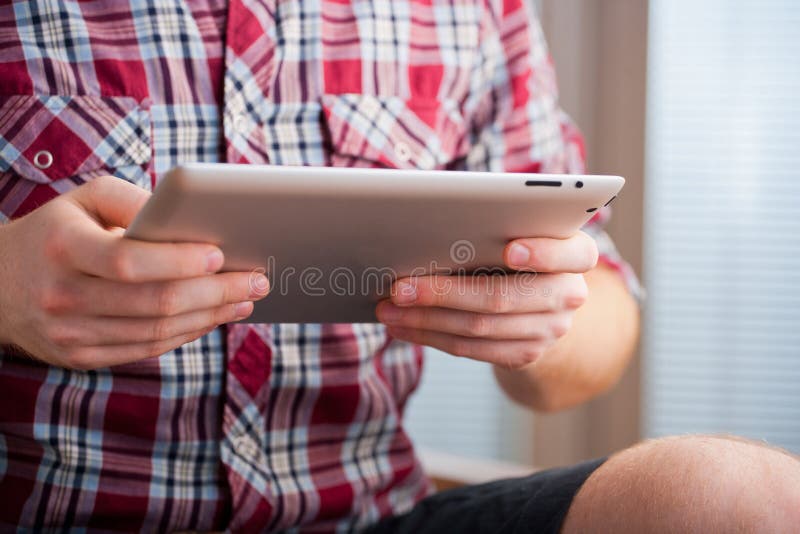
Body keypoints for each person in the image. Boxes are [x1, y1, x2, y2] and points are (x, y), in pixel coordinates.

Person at [0, 1, 797, 532]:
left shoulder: (475, 10)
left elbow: (603, 312)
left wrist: (548, 320)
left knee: (744, 500)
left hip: (378, 518)